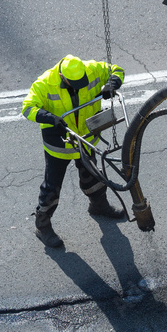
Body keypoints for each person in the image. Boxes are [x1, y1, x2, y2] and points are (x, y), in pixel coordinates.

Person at [21, 54, 126, 248]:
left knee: (93, 176)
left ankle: (98, 205)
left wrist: (112, 83)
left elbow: (117, 70)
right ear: (64, 78)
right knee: (51, 187)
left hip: (86, 139)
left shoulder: (91, 69)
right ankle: (42, 225)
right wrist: (50, 118)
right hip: (59, 144)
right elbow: (27, 108)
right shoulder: (44, 84)